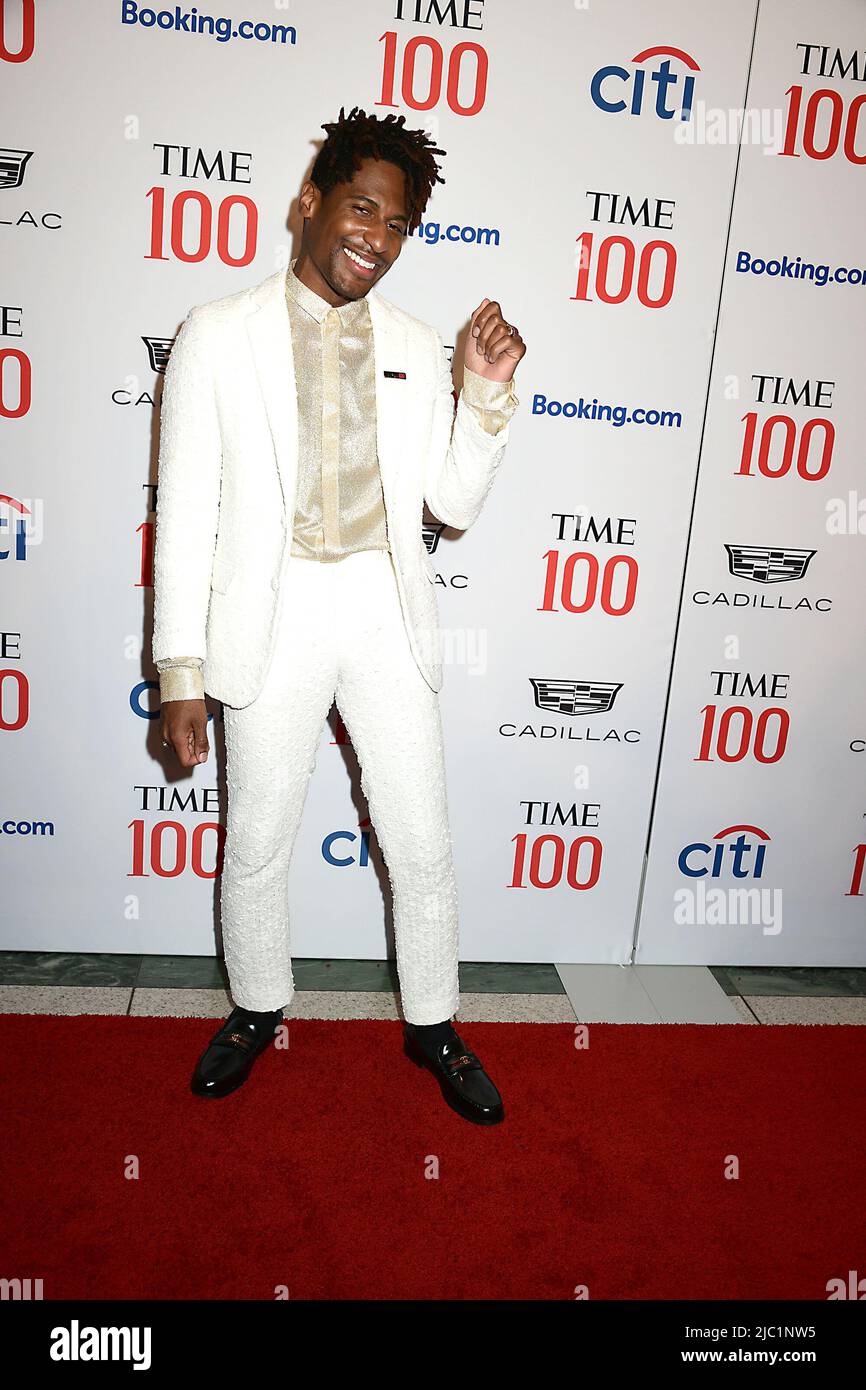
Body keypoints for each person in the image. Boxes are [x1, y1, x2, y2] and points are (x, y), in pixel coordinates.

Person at [152, 105, 525, 1125]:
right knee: (259, 836)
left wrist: (485, 396)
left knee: (421, 839)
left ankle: (434, 1023)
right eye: (360, 207)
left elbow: (447, 502)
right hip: (269, 617)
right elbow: (185, 511)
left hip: (380, 608)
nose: (375, 236)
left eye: (396, 223)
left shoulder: (411, 342)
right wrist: (179, 670)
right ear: (308, 203)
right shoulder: (216, 335)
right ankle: (256, 1007)